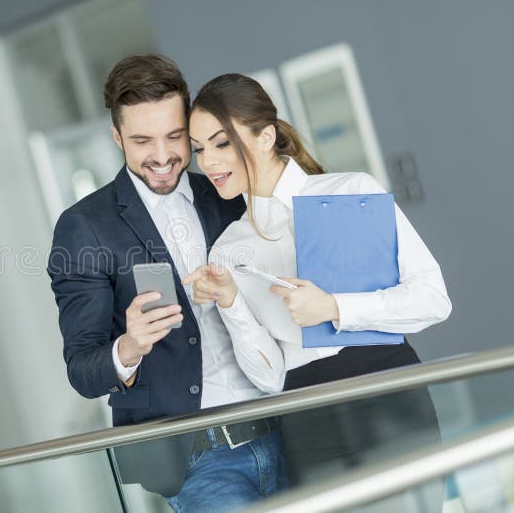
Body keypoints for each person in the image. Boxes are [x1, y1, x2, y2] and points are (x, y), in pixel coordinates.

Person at [185, 73, 451, 509]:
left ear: (266, 135)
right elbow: (270, 380)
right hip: (306, 421)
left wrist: (334, 307)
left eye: (222, 143)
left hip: (388, 392)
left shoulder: (352, 192)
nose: (208, 162)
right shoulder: (229, 249)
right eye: (199, 149)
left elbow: (433, 299)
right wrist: (231, 303)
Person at [47, 56, 287, 513]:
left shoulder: (223, 194)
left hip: (284, 428)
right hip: (197, 463)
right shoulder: (84, 227)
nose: (161, 155)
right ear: (117, 137)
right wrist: (129, 346)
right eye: (141, 140)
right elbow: (82, 369)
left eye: (175, 137)